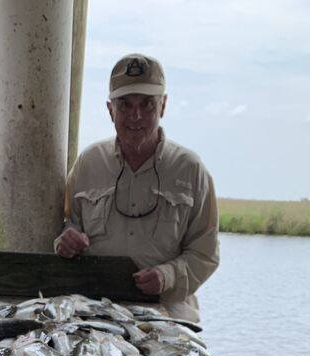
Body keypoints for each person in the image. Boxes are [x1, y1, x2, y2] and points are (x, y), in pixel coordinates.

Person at [55, 55, 219, 323]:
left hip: (167, 315)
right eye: (125, 105)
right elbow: (66, 225)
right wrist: (66, 239)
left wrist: (167, 276)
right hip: (96, 313)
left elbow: (205, 253)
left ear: (163, 106)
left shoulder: (191, 169)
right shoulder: (88, 163)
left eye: (147, 104)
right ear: (110, 109)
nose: (136, 116)